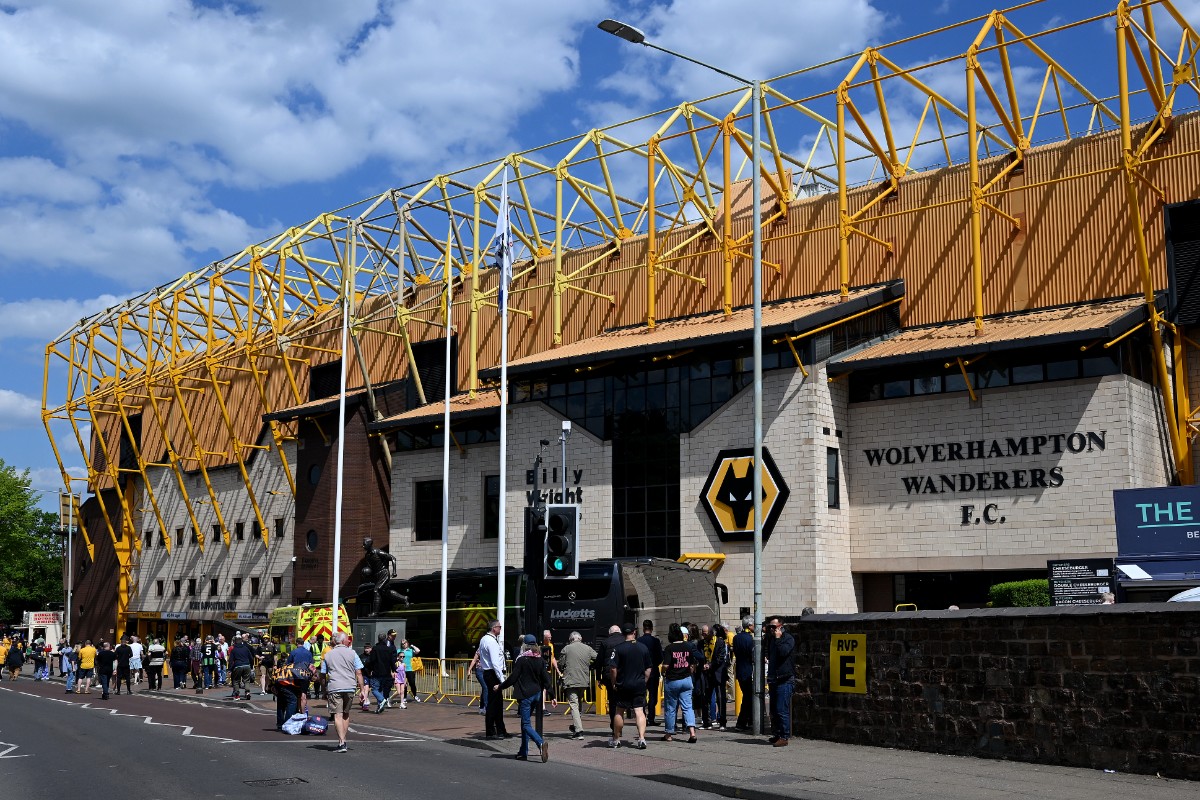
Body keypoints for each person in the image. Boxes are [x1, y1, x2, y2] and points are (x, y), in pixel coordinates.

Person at [494, 633, 556, 762]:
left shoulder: (522, 660)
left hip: (526, 695)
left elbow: (513, 677)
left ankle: (540, 743)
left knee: (526, 724)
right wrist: (552, 695)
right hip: (536, 694)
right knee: (524, 723)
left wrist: (500, 686)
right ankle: (523, 752)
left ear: (524, 646)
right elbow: (546, 679)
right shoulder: (540, 659)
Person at [319, 631, 364, 753]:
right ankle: (343, 740)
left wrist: (324, 689)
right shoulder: (353, 653)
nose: (349, 641)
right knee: (346, 714)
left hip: (335, 687)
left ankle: (342, 741)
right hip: (350, 687)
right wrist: (362, 690)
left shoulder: (328, 655)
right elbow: (359, 672)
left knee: (337, 715)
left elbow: (322, 674)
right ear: (344, 641)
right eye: (348, 639)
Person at [660, 623, 698, 743]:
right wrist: (689, 672)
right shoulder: (688, 646)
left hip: (673, 680)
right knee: (688, 707)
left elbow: (666, 665)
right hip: (686, 679)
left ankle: (669, 734)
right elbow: (692, 664)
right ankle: (692, 732)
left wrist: (663, 672)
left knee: (671, 708)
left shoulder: (669, 648)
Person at [558, 631, 596, 739]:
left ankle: (579, 731)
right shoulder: (588, 648)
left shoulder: (566, 649)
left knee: (574, 704)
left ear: (570, 639)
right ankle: (576, 726)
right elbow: (597, 657)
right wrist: (589, 665)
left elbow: (561, 664)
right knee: (578, 703)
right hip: (583, 681)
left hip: (570, 681)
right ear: (581, 638)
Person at [765, 616, 795, 747]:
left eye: (774, 627)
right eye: (770, 627)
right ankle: (777, 734)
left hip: (785, 679)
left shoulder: (788, 639)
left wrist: (778, 639)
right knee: (774, 710)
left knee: (782, 709)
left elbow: (783, 652)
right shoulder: (771, 640)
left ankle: (784, 736)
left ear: (780, 627)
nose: (771, 629)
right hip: (774, 679)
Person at [478, 619, 509, 739]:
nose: (500, 628)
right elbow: (495, 663)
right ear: (494, 628)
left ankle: (500, 730)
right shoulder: (491, 641)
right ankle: (491, 731)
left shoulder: (484, 639)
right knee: (494, 704)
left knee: (496, 703)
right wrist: (501, 679)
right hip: (492, 673)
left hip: (488, 672)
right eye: (499, 627)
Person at [594, 623, 625, 740]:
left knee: (612, 702)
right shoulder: (625, 640)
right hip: (623, 674)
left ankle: (614, 726)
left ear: (609, 633)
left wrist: (598, 677)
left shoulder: (605, 642)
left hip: (609, 675)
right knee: (622, 702)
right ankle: (620, 726)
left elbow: (599, 661)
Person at [637, 619, 664, 726]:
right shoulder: (655, 641)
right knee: (653, 695)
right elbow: (660, 657)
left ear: (643, 628)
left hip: (641, 671)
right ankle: (651, 717)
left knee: (642, 694)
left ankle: (642, 716)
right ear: (652, 629)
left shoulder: (638, 641)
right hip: (653, 671)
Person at [732, 616, 755, 731]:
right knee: (748, 697)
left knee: (748, 696)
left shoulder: (736, 638)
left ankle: (749, 721)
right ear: (750, 626)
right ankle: (741, 722)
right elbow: (752, 655)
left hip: (740, 670)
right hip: (748, 670)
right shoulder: (750, 639)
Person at [710, 623, 730, 730]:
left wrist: (710, 664)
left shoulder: (720, 642)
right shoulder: (720, 642)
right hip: (717, 672)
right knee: (717, 697)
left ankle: (722, 720)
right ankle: (718, 719)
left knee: (720, 697)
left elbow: (719, 658)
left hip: (718, 672)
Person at [286, 639, 314, 714]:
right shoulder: (308, 653)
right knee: (303, 695)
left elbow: (288, 664)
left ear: (297, 643)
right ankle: (303, 713)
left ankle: (297, 711)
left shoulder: (293, 652)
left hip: (295, 675)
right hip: (305, 675)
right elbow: (311, 665)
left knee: (295, 694)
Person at [228, 633, 255, 700]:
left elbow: (231, 661)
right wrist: (251, 666)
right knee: (246, 680)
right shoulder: (245, 648)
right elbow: (251, 658)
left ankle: (237, 695)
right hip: (246, 665)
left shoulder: (234, 650)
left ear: (235, 642)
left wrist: (230, 669)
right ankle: (247, 692)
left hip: (238, 666)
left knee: (236, 680)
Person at [466, 642, 488, 715]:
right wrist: (469, 670)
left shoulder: (491, 649)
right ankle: (486, 707)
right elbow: (474, 660)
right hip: (479, 670)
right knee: (485, 687)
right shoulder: (480, 649)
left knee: (484, 689)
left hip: (487, 671)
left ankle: (481, 708)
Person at [398, 638, 421, 702]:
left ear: (407, 643)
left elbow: (418, 651)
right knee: (404, 684)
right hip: (402, 670)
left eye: (405, 643)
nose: (403, 644)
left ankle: (415, 695)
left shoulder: (410, 650)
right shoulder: (399, 650)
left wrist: (412, 646)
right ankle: (404, 697)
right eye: (402, 644)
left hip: (410, 669)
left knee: (412, 683)